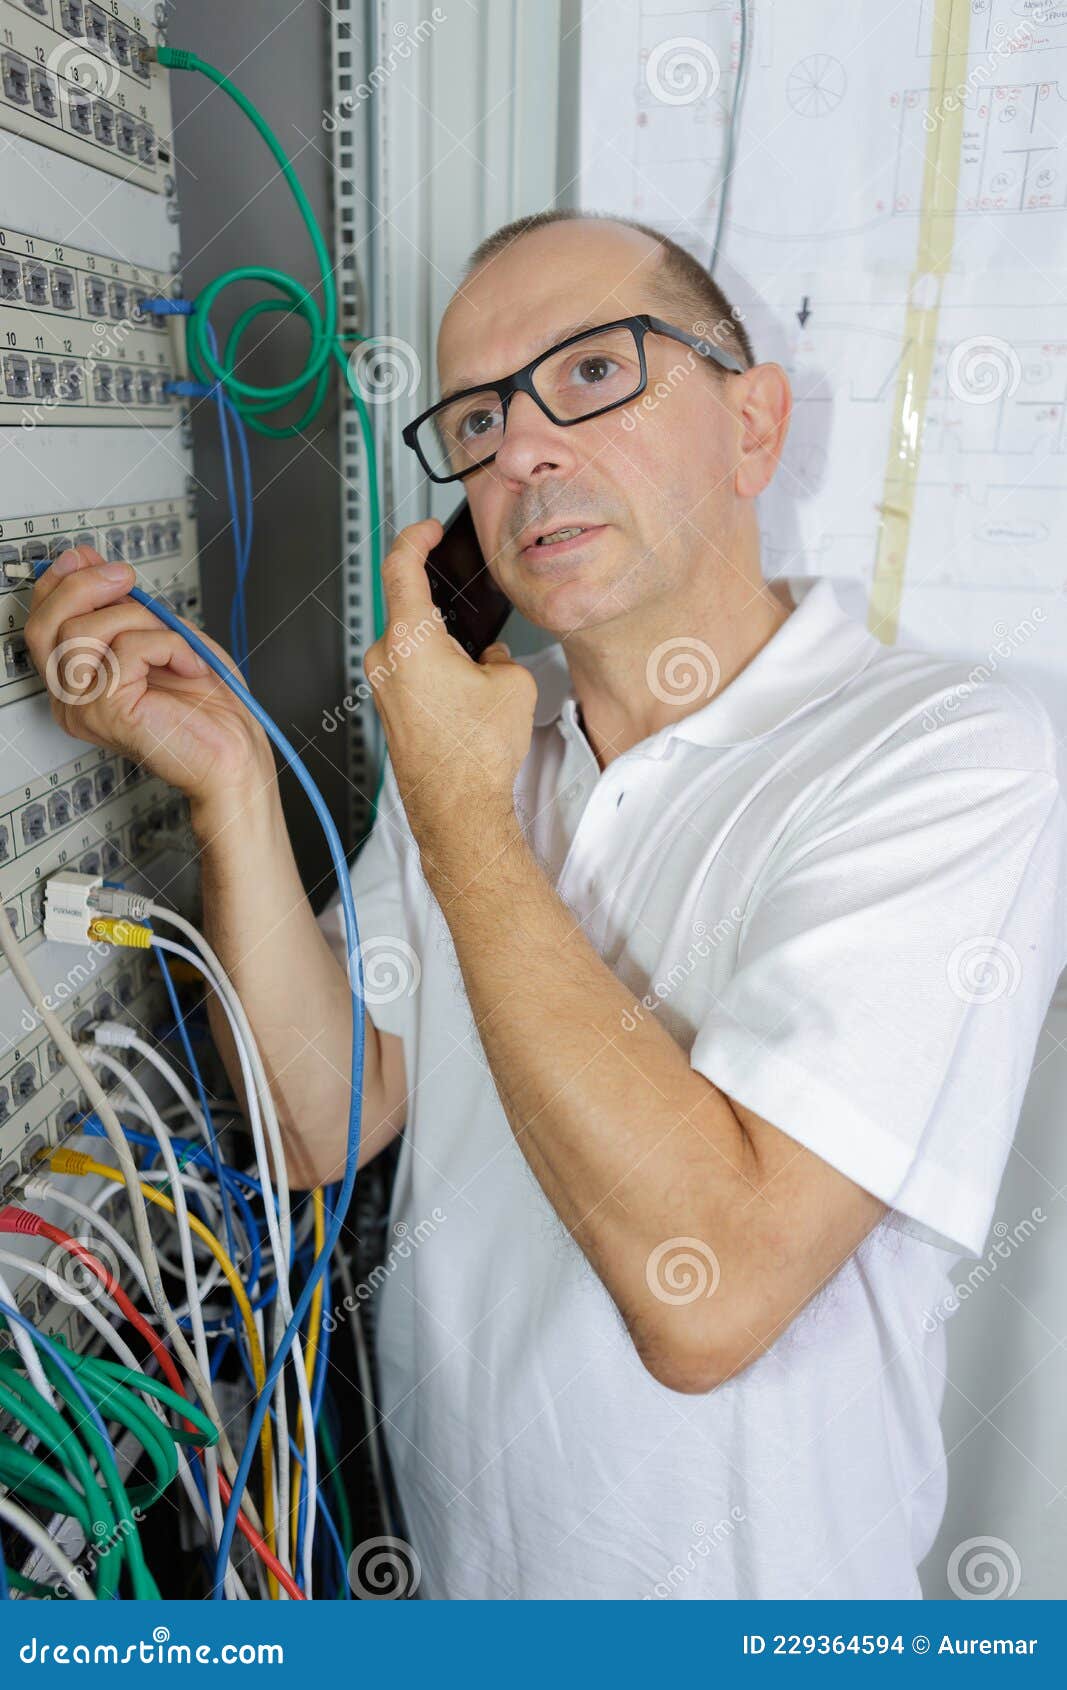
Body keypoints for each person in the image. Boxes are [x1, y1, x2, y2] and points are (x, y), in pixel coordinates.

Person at [24, 211, 1067, 1601]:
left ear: (755, 425)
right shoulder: (489, 751)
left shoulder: (945, 748)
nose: (519, 450)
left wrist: (459, 813)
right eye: (475, 417)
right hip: (471, 1575)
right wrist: (230, 786)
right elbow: (324, 1116)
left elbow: (716, 1292)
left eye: (590, 374)